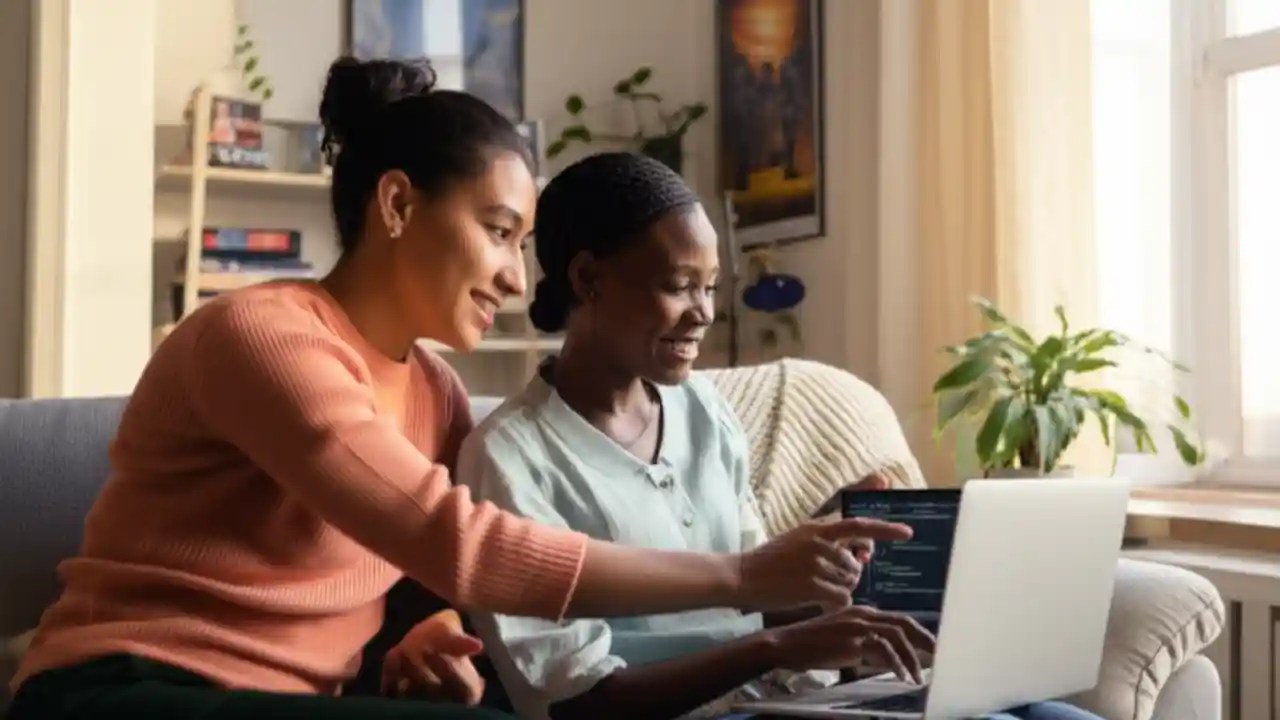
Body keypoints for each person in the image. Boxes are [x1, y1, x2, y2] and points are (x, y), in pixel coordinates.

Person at [4, 59, 909, 720]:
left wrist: (420, 638)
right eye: (501, 232)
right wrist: (745, 575)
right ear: (397, 206)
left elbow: (422, 572)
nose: (520, 280)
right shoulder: (264, 338)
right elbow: (460, 542)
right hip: (125, 687)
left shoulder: (434, 394)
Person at [454, 152, 1108, 720]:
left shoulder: (703, 411)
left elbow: (745, 610)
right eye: (679, 286)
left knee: (1053, 715)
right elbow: (574, 702)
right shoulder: (510, 460)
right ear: (587, 279)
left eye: (710, 288)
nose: (704, 313)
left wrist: (826, 583)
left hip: (777, 699)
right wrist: (780, 647)